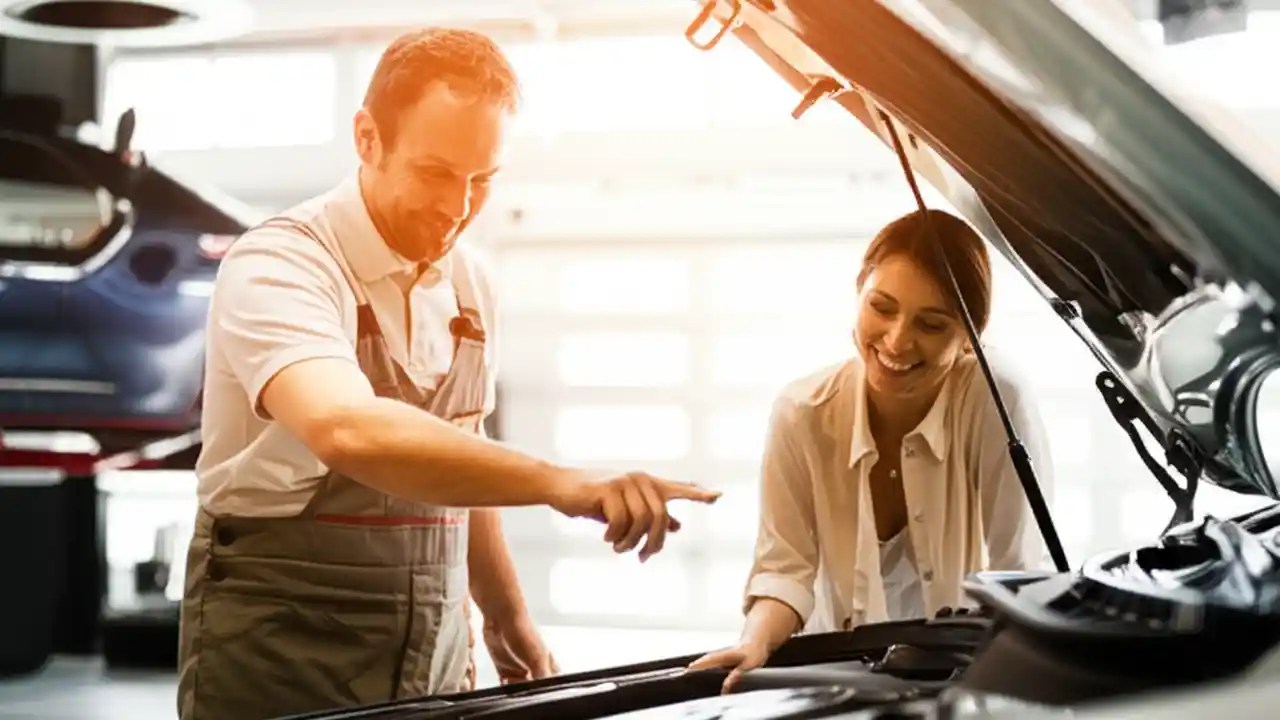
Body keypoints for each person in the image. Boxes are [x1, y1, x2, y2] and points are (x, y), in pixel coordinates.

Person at [176, 27, 719, 720]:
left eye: (481, 181)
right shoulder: (280, 265)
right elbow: (348, 430)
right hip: (283, 648)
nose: (458, 208)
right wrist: (561, 483)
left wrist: (506, 619)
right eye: (435, 173)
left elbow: (463, 460)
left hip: (433, 648)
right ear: (367, 138)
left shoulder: (470, 286)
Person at [688, 209, 1052, 693]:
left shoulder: (996, 400)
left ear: (971, 337)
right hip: (827, 682)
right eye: (882, 307)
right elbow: (785, 570)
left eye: (932, 324)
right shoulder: (801, 411)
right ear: (859, 289)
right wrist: (754, 643)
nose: (898, 340)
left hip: (952, 684)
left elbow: (1022, 572)